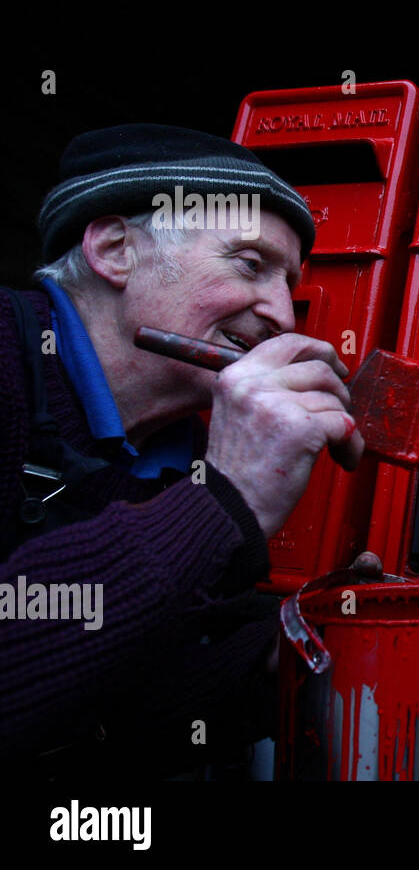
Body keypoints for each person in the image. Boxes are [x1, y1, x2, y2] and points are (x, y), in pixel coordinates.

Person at [0, 124, 374, 777]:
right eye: (251, 264)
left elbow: (124, 706)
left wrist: (281, 646)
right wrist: (225, 503)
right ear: (116, 250)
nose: (285, 315)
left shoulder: (194, 448)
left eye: (290, 281)